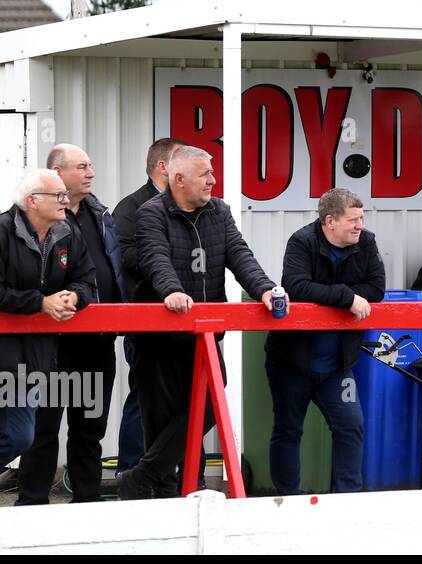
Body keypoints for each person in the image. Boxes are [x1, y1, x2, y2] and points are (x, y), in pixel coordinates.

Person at [116, 146, 283, 500]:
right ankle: (161, 500)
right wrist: (172, 291)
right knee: (159, 421)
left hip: (204, 333)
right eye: (204, 173)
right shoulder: (151, 213)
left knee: (207, 402)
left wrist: (265, 289)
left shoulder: (219, 212)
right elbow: (154, 258)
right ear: (178, 179)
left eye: (212, 172)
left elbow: (239, 254)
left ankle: (140, 477)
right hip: (158, 337)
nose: (213, 180)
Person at [16, 145, 127, 505]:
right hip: (49, 345)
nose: (91, 173)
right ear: (57, 174)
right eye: (82, 167)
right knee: (43, 428)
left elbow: (100, 273)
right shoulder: (28, 223)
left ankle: (88, 501)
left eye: (91, 166)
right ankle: (31, 503)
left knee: (89, 427)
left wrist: (81, 298)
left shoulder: (99, 214)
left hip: (94, 342)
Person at [271, 188, 385, 494]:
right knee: (288, 430)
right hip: (292, 362)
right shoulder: (302, 241)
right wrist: (346, 297)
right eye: (353, 219)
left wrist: (332, 295)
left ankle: (345, 501)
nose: (360, 225)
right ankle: (287, 501)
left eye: (362, 218)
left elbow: (376, 288)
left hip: (338, 365)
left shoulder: (367, 242)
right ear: (330, 221)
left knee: (351, 426)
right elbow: (296, 286)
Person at [0, 171, 97, 472]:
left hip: (32, 360)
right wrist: (40, 303)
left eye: (65, 195)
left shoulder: (68, 232)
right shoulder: (1, 231)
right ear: (32, 201)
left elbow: (87, 279)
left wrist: (73, 297)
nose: (66, 201)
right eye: (58, 195)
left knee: (19, 436)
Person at [111, 137, 183, 472]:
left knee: (188, 402)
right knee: (144, 400)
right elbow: (124, 255)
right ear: (163, 166)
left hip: (186, 323)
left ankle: (182, 478)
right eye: (181, 161)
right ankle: (130, 475)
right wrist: (168, 262)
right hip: (147, 322)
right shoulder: (131, 208)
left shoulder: (192, 206)